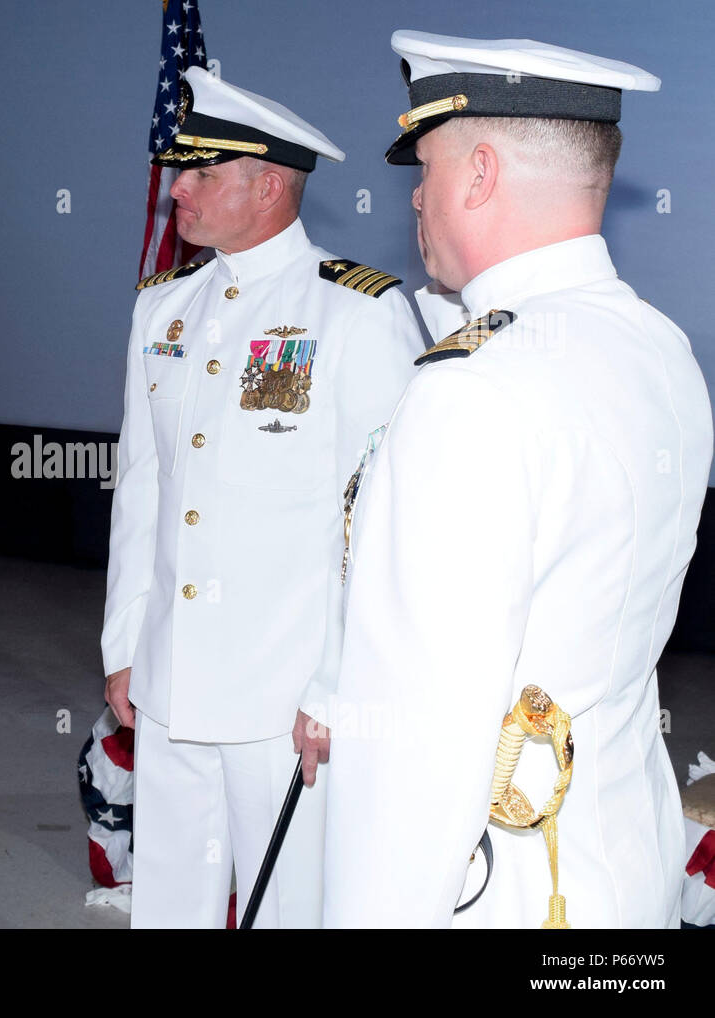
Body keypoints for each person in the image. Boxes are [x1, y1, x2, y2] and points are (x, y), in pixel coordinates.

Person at [324, 30, 713, 928]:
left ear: (479, 172)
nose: (415, 195)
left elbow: (421, 737)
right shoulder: (661, 350)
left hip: (495, 891)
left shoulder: (471, 389)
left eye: (424, 164)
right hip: (620, 859)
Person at [101, 66, 423, 928]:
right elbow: (144, 487)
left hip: (286, 696)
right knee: (168, 903)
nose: (178, 190)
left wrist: (336, 684)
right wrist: (125, 639)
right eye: (183, 171)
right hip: (171, 678)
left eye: (203, 173)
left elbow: (380, 514)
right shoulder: (162, 309)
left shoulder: (355, 312)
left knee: (290, 908)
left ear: (270, 184)